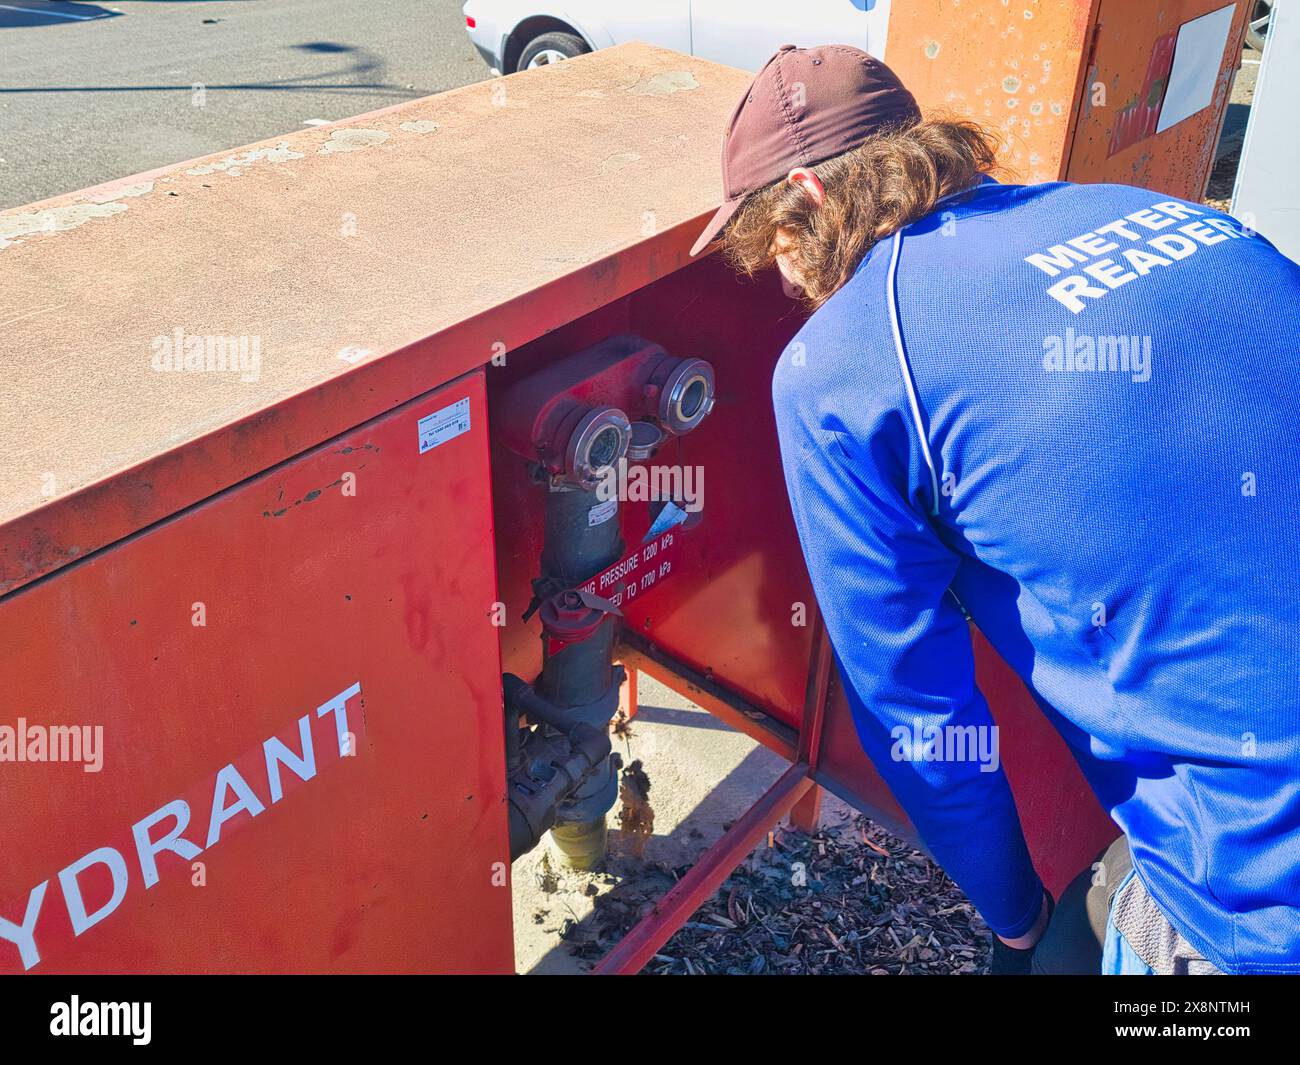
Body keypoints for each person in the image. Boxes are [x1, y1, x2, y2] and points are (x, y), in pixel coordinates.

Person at [691, 44, 1300, 975]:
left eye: (776, 249)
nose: (786, 284)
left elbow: (919, 713)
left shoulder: (843, 365)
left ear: (810, 198)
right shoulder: (1160, 215)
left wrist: (1015, 919)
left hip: (1262, 913)